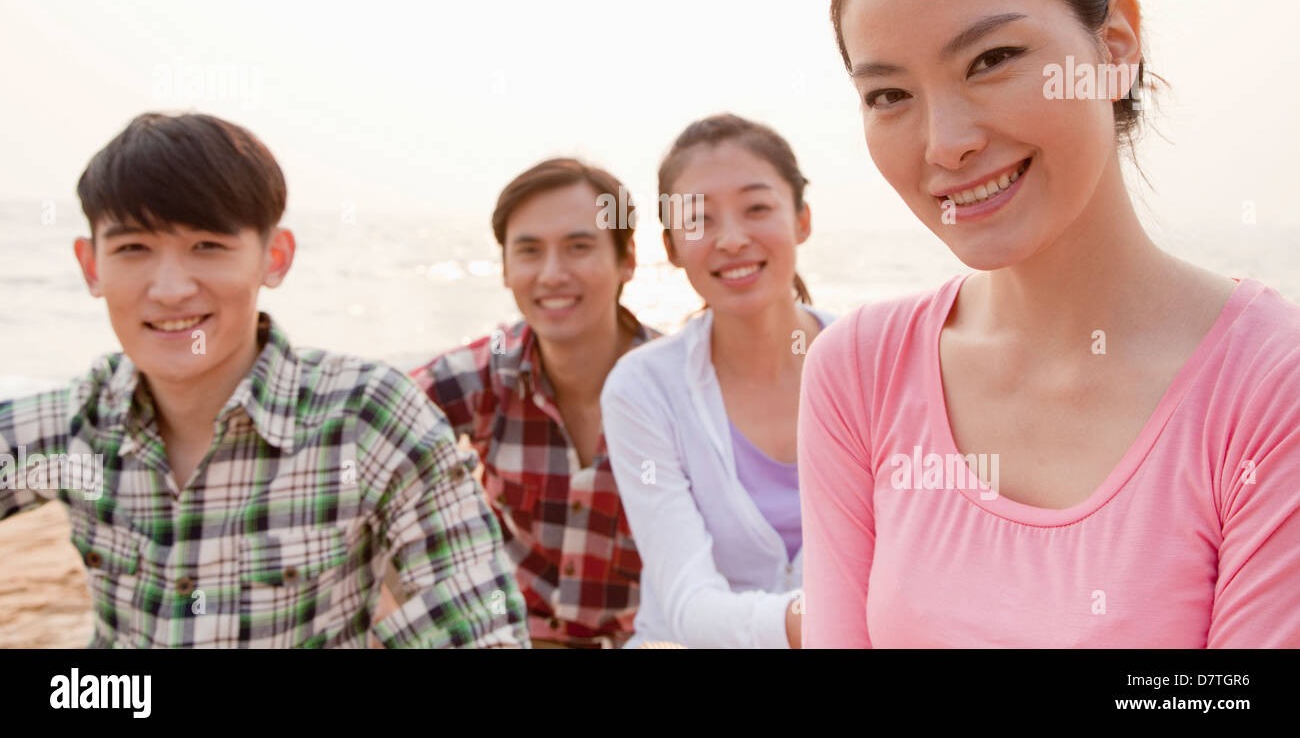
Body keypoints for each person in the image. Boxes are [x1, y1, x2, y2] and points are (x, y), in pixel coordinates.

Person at [799, 0, 1300, 648]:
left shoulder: (1271, 387)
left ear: (1116, 45)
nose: (947, 145)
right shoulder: (855, 372)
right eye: (889, 95)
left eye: (992, 60)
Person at [0, 112, 527, 648]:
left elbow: (478, 625)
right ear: (91, 267)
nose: (171, 288)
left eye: (207, 246)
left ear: (274, 257)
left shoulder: (367, 418)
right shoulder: (79, 423)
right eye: (133, 248)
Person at [602, 114, 833, 648]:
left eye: (757, 208)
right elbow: (690, 609)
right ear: (673, 246)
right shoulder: (643, 388)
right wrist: (838, 622)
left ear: (801, 219)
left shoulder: (871, 362)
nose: (731, 239)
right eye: (698, 220)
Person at [409, 159, 659, 648]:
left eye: (578, 247)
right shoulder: (486, 374)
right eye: (528, 251)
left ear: (627, 258)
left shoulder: (674, 386)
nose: (552, 274)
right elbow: (357, 437)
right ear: (505, 269)